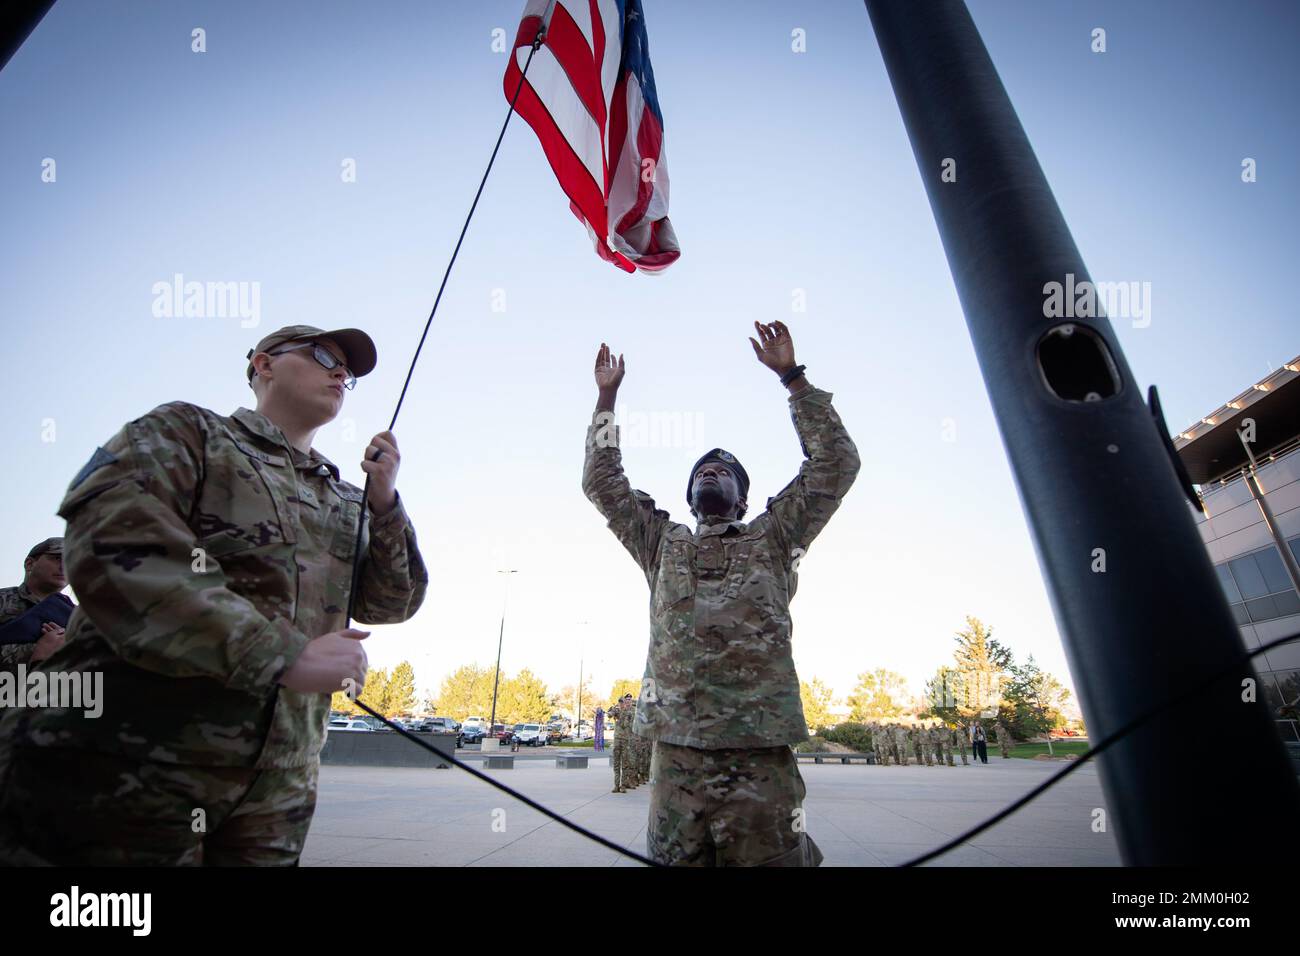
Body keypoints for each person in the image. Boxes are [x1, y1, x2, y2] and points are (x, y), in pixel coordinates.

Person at [0, 325, 428, 865]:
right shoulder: (189, 434)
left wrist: (385, 504)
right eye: (323, 356)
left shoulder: (346, 498)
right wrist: (284, 654)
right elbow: (115, 546)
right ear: (265, 365)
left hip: (278, 779)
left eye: (349, 370)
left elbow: (393, 603)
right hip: (134, 761)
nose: (341, 372)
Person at [583, 321, 860, 866]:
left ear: (741, 499)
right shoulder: (662, 542)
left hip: (760, 755)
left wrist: (793, 378)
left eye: (725, 471)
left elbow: (835, 465)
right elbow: (603, 484)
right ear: (690, 498)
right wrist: (607, 398)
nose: (711, 470)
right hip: (676, 756)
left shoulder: (774, 537)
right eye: (701, 472)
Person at [0, 538, 71, 681]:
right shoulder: (3, 600)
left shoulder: (80, 616)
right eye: (57, 558)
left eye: (70, 560)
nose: (64, 566)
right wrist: (37, 652)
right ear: (29, 564)